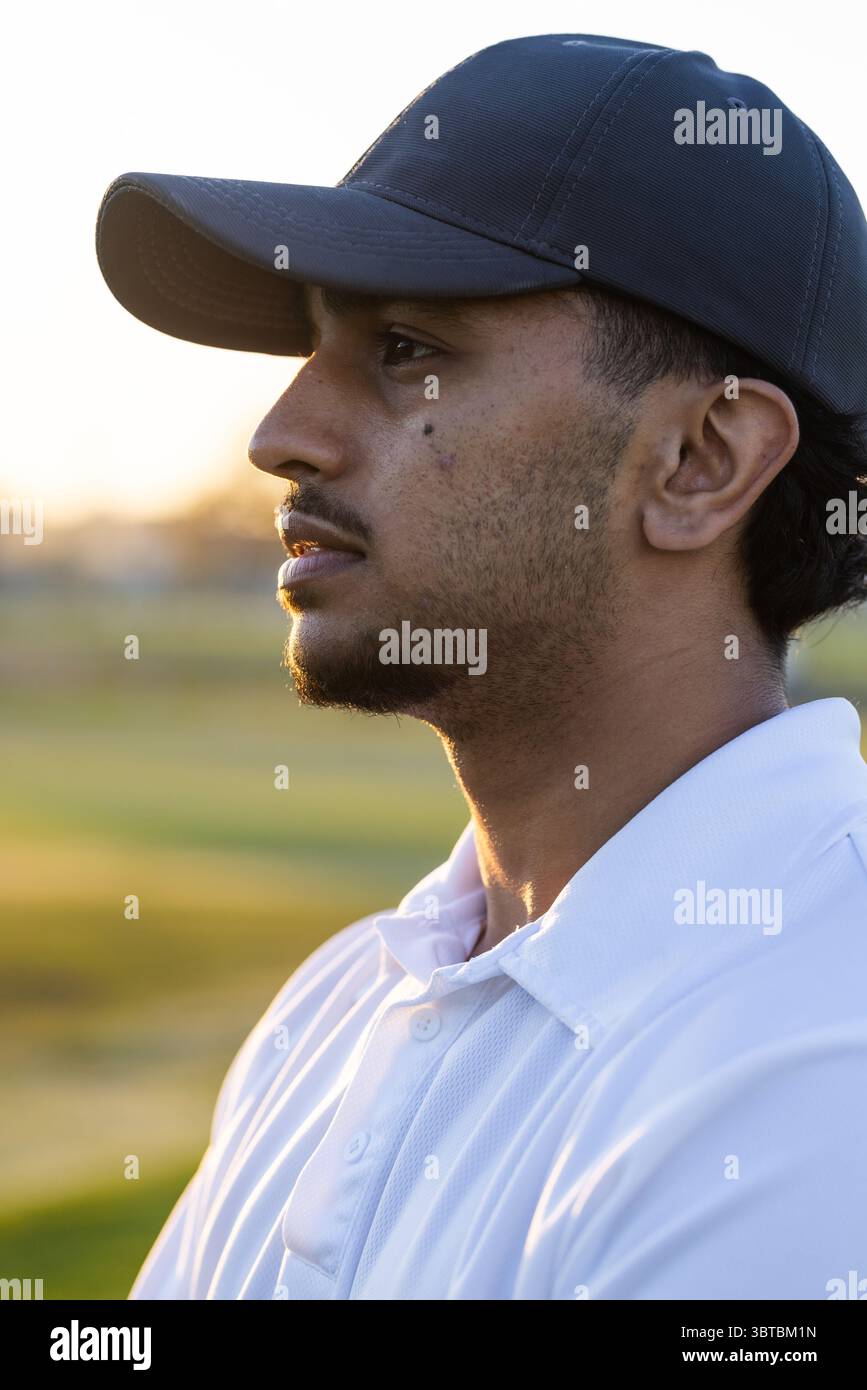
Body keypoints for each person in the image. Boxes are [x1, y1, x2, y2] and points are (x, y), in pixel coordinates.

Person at [95, 33, 867, 1299]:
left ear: (702, 460)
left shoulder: (818, 1059)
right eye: (316, 342)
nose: (280, 434)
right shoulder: (338, 1007)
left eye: (407, 350)